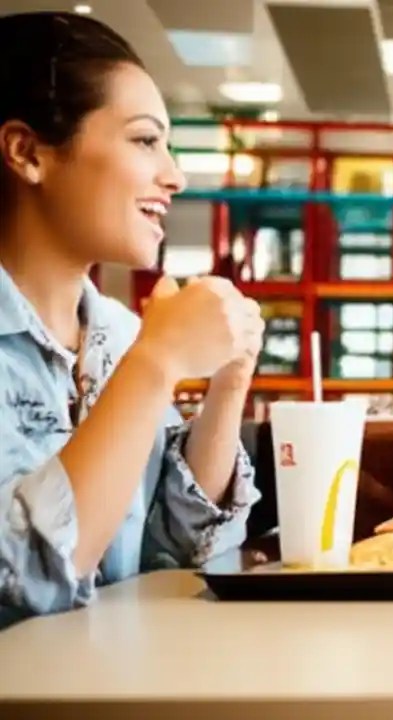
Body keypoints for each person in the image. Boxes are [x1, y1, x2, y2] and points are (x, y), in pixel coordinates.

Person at [0, 12, 263, 628]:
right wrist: (157, 361)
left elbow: (175, 554)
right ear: (27, 152)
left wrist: (229, 385)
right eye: (146, 141)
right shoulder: (142, 349)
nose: (175, 175)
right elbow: (27, 578)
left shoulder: (118, 333)